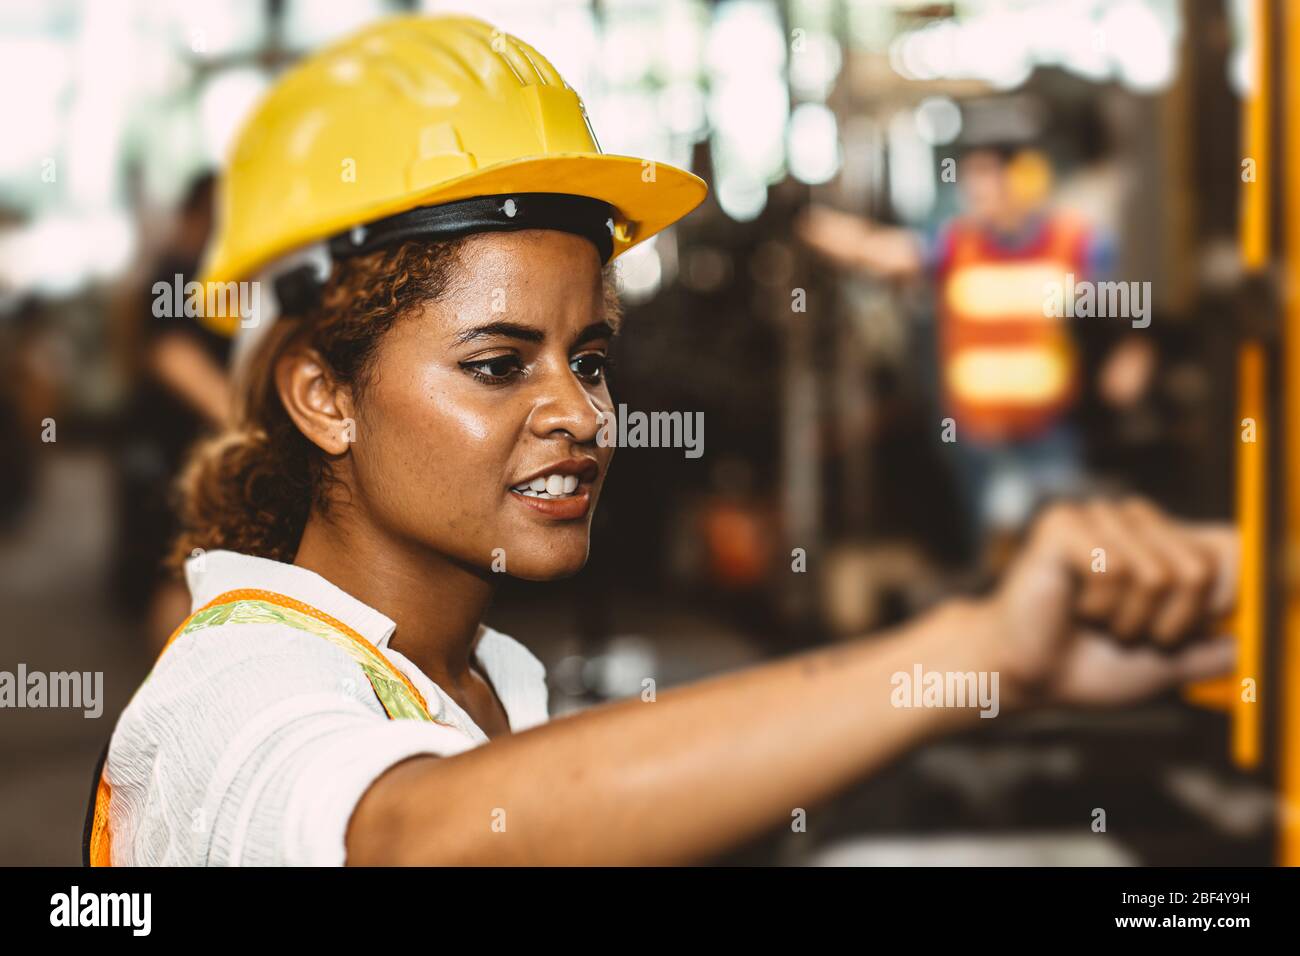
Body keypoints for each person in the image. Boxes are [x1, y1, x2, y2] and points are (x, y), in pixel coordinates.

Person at [85, 15, 1237, 867]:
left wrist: (1003, 679)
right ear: (321, 395)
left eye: (588, 358)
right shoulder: (232, 689)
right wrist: (976, 650)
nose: (584, 414)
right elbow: (416, 838)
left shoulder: (482, 678)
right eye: (497, 364)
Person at [798, 144, 1154, 561]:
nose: (976, 194)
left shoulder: (1073, 243)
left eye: (987, 180)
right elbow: (889, 254)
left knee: (1064, 545)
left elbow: (1131, 297)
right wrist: (823, 230)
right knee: (997, 551)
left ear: (1020, 181)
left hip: (1048, 431)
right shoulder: (957, 245)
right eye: (971, 182)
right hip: (978, 436)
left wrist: (1135, 350)